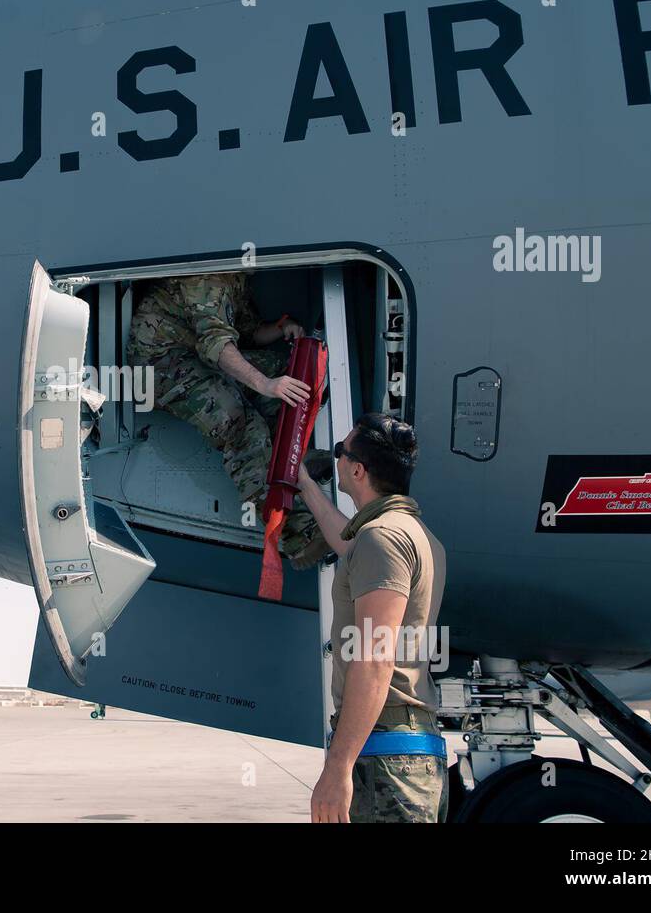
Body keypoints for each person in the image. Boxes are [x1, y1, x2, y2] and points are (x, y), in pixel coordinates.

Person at [294, 413, 448, 823]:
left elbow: (375, 660)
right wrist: (306, 487)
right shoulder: (408, 533)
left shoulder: (383, 539)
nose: (337, 459)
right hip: (402, 750)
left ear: (358, 470)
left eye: (341, 452)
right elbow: (349, 545)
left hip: (386, 759)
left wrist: (338, 769)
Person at [126, 273, 330, 566]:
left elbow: (243, 331)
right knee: (240, 425)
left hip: (192, 354)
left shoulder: (235, 275)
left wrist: (280, 327)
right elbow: (217, 343)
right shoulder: (207, 279)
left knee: (280, 371)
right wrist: (264, 384)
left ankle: (289, 467)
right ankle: (299, 537)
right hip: (160, 366)